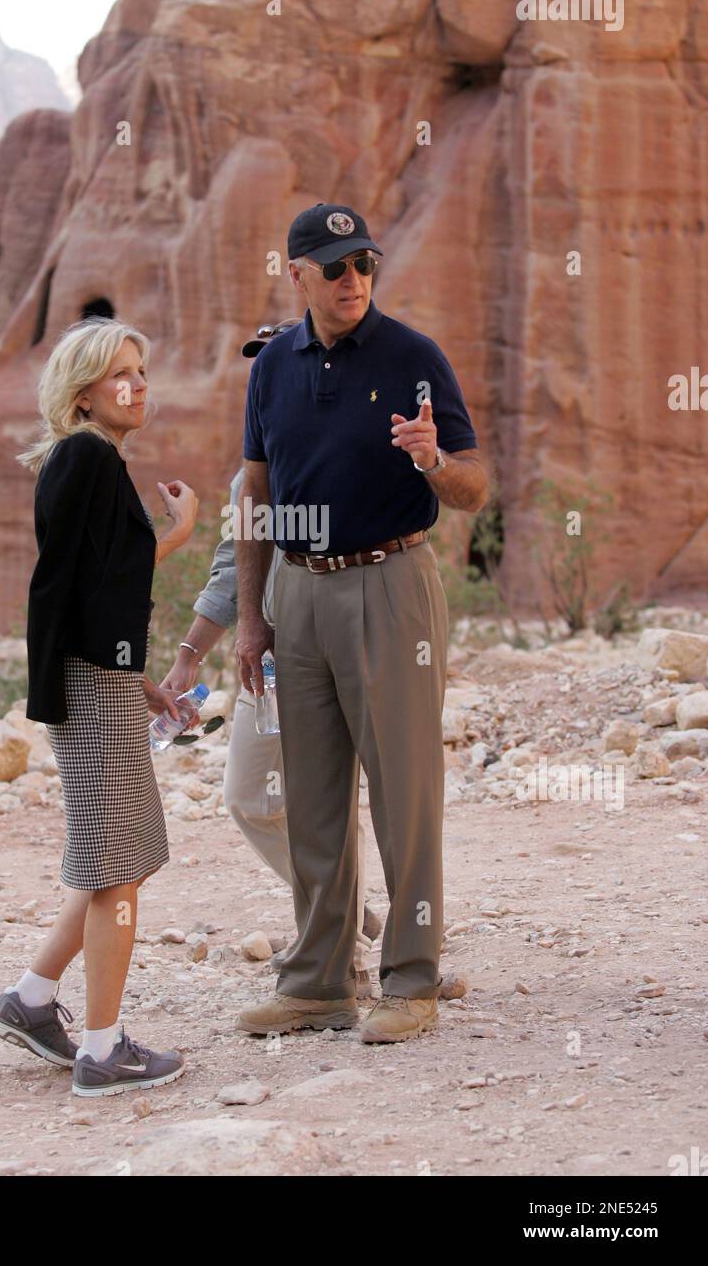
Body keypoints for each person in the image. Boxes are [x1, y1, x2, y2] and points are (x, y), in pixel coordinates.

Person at [234, 202, 488, 1043]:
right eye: (335, 267)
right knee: (310, 798)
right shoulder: (271, 366)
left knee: (405, 793)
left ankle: (410, 979)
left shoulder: (414, 356)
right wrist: (250, 618)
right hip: (297, 592)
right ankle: (315, 984)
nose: (353, 281)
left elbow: (474, 488)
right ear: (297, 272)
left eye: (365, 265)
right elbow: (256, 492)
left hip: (390, 582)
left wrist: (431, 460)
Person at [0, 315, 199, 1096]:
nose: (137, 385)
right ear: (83, 392)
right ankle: (104, 1053)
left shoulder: (89, 459)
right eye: (119, 374)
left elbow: (83, 593)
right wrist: (181, 531)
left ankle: (30, 1002)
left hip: (93, 684)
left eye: (141, 371)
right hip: (86, 690)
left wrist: (138, 681)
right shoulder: (86, 456)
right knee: (118, 874)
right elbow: (115, 576)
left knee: (111, 860)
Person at [160, 451, 381, 998]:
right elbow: (234, 568)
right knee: (249, 798)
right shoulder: (254, 472)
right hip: (266, 663)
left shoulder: (340, 447)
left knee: (325, 800)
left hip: (332, 651)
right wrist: (189, 655)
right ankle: (343, 911)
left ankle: (338, 943)